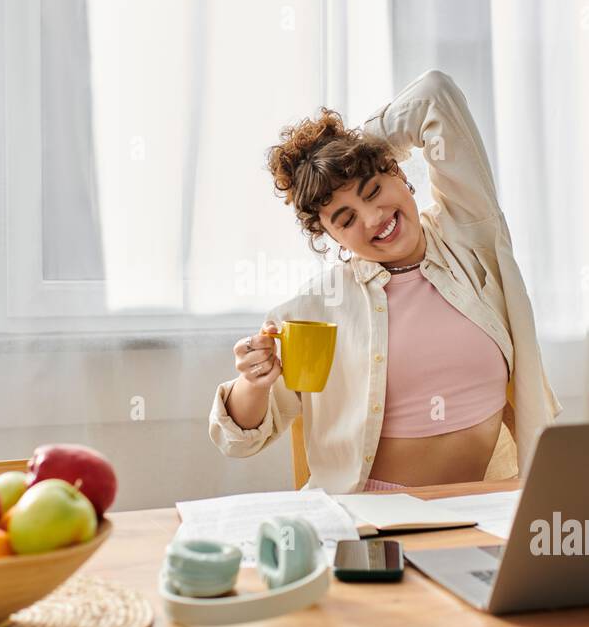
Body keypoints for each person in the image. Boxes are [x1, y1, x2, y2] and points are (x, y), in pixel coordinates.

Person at [209, 69, 560, 492]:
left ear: (397, 171)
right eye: (345, 219)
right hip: (367, 519)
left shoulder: (468, 236)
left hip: (481, 507)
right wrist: (254, 380)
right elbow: (238, 439)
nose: (374, 219)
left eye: (373, 190)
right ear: (330, 237)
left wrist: (348, 152)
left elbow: (436, 95)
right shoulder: (317, 310)